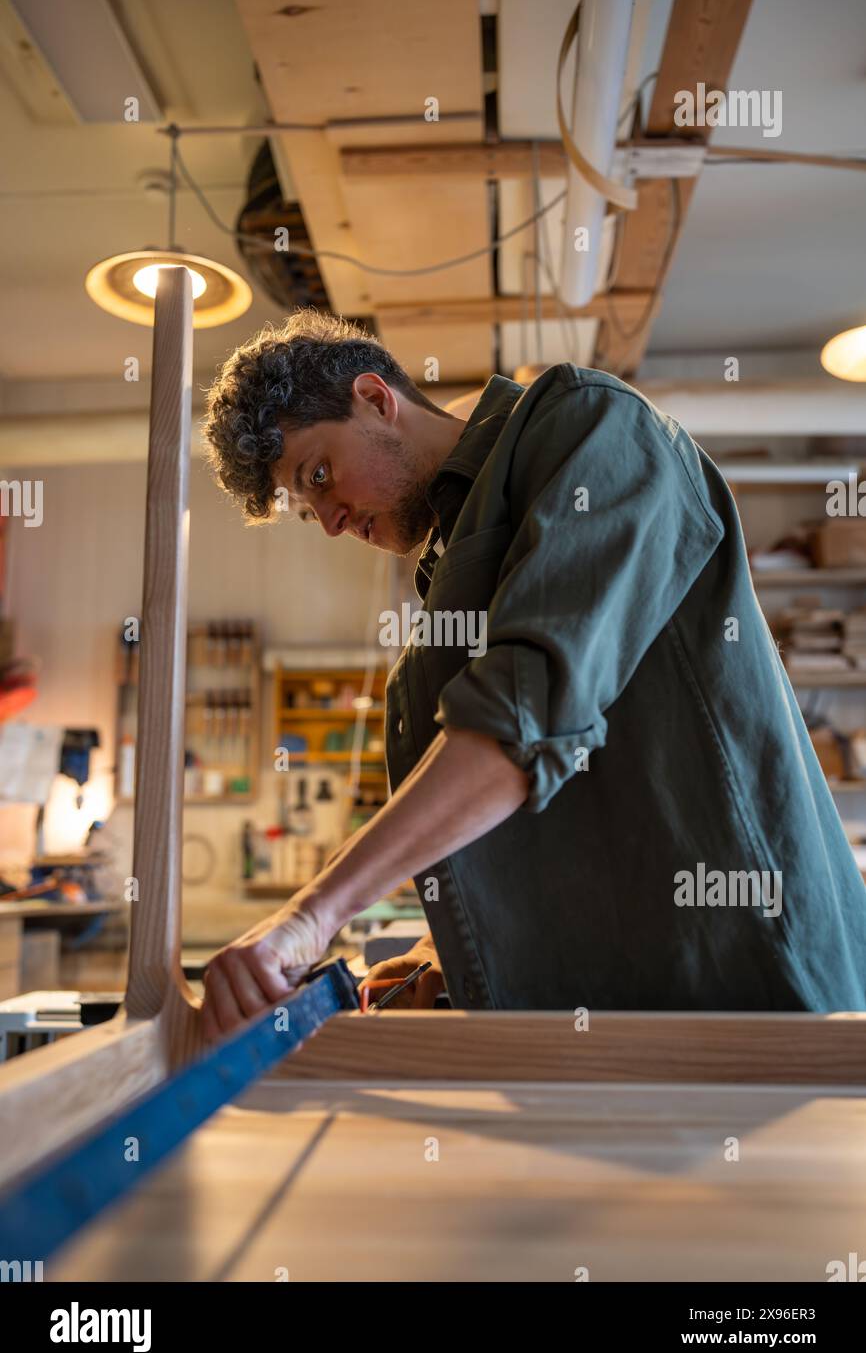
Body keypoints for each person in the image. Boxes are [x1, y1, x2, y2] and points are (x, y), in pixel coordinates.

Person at [198, 308, 866, 1041]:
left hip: (748, 989)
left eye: (318, 475)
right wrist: (449, 950)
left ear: (375, 398)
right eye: (307, 508)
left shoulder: (586, 426)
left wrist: (311, 915)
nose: (328, 519)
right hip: (622, 1014)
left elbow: (523, 715)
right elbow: (566, 811)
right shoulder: (450, 565)